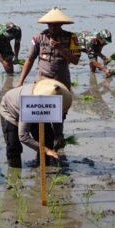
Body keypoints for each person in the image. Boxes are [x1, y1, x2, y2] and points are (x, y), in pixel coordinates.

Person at [17, 8, 80, 149]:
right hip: (42, 82)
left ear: (61, 24)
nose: (53, 27)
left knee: (59, 114)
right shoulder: (38, 38)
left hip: (61, 82)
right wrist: (20, 82)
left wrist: (60, 48)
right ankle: (44, 144)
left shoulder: (72, 38)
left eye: (56, 24)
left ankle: (58, 138)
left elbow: (75, 60)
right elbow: (30, 59)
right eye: (50, 24)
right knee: (41, 113)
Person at [0, 79, 73, 168]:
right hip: (11, 110)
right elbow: (23, 136)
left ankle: (42, 167)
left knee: (48, 139)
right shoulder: (29, 102)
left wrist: (59, 134)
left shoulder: (57, 98)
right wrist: (46, 150)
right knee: (14, 147)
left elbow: (57, 118)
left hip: (37, 110)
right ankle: (15, 175)